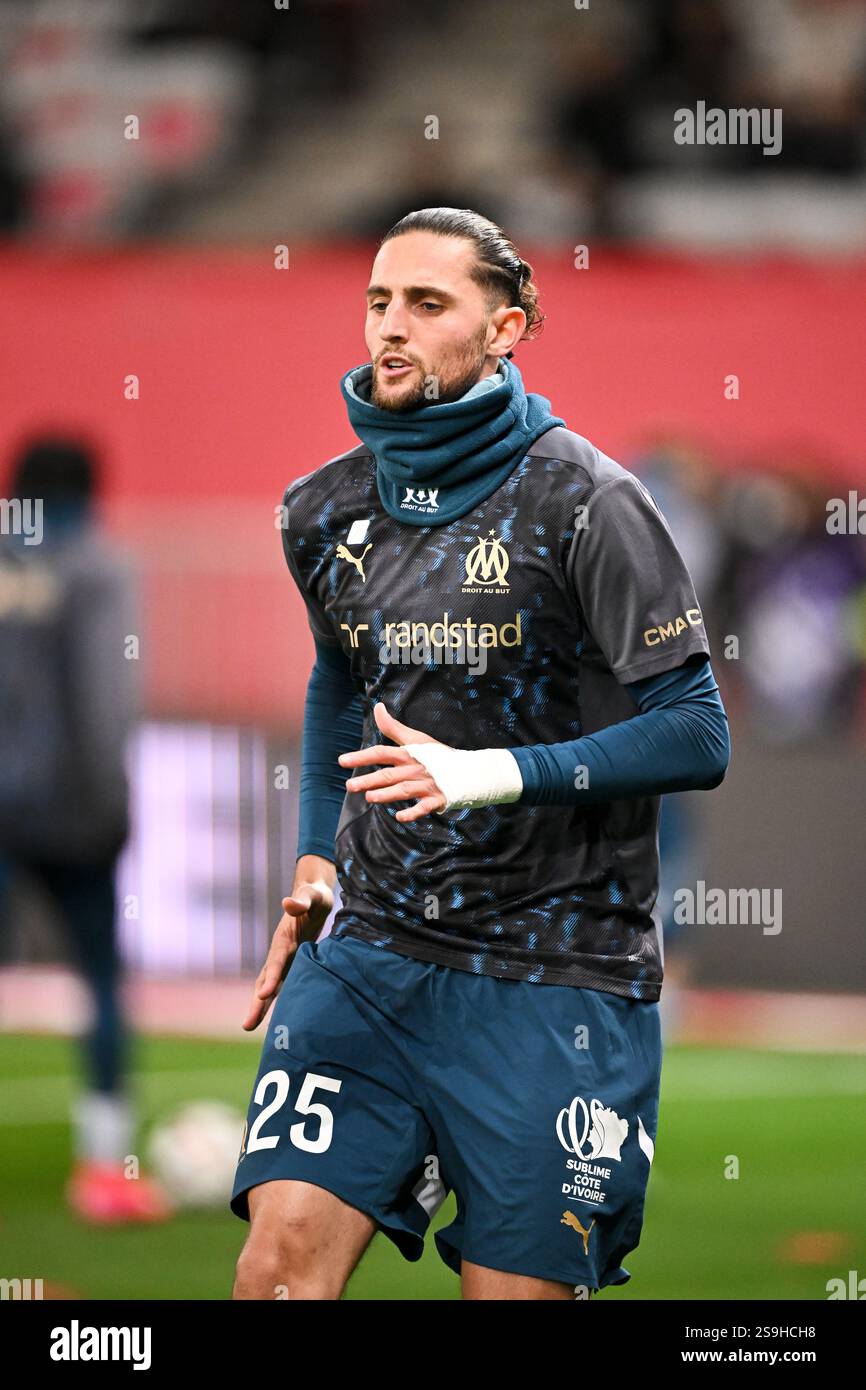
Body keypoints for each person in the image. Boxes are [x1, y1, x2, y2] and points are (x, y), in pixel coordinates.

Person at [230, 209, 730, 1300]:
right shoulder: (320, 509)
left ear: (504, 329)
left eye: (426, 303)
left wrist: (487, 772)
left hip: (555, 977)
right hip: (371, 953)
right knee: (275, 1269)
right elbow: (339, 680)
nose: (390, 327)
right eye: (377, 301)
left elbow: (699, 731)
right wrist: (316, 855)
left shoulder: (590, 502)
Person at [0, 436, 169, 1224]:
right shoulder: (99, 567)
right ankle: (105, 1166)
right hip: (72, 808)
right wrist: (113, 800)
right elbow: (107, 696)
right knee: (99, 975)